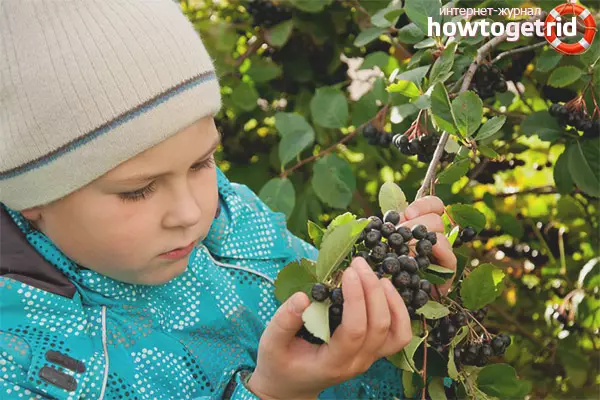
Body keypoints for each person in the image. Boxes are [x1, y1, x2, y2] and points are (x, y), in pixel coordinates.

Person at [0, 1, 456, 399]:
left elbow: (354, 340)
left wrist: (405, 293)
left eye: (202, 163)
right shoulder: (22, 362)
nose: (192, 212)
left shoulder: (234, 218)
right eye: (138, 190)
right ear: (33, 197)